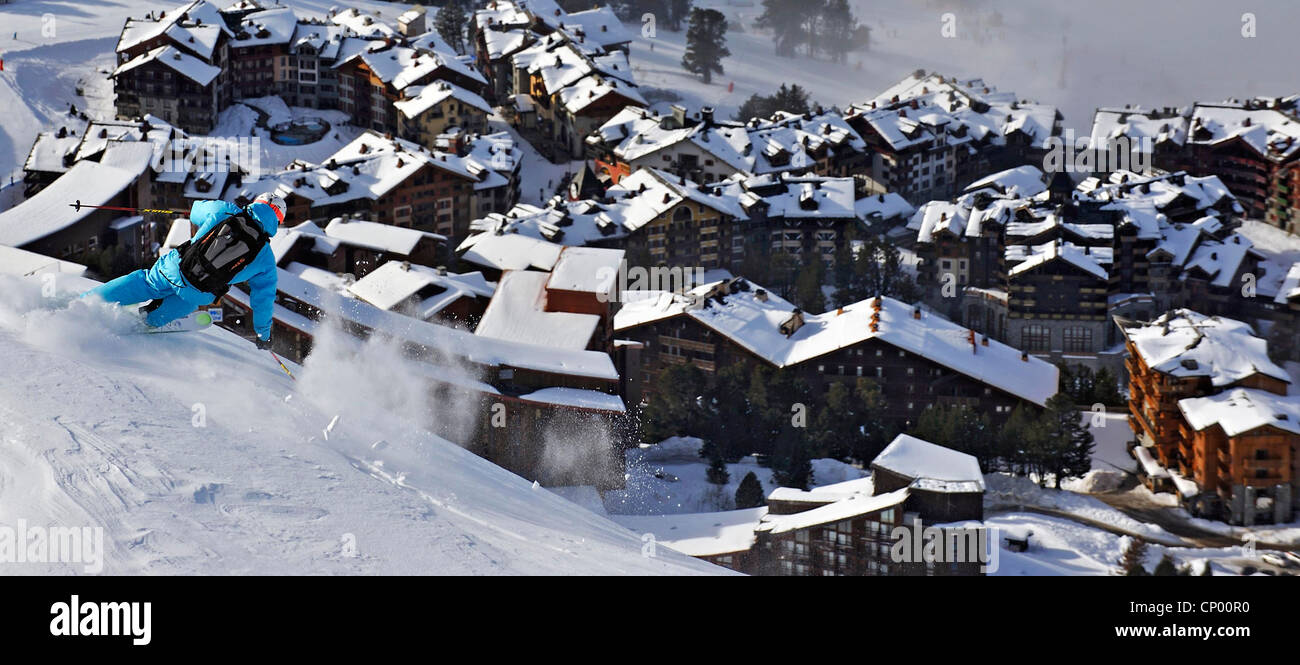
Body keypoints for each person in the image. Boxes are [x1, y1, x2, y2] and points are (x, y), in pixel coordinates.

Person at [86, 193, 284, 348]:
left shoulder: (225, 210)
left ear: (257, 202)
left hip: (175, 268)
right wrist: (262, 335)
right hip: (201, 292)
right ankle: (148, 319)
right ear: (278, 220)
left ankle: (89, 301)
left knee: (146, 283)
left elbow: (196, 209)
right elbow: (263, 303)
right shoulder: (266, 260)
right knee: (188, 301)